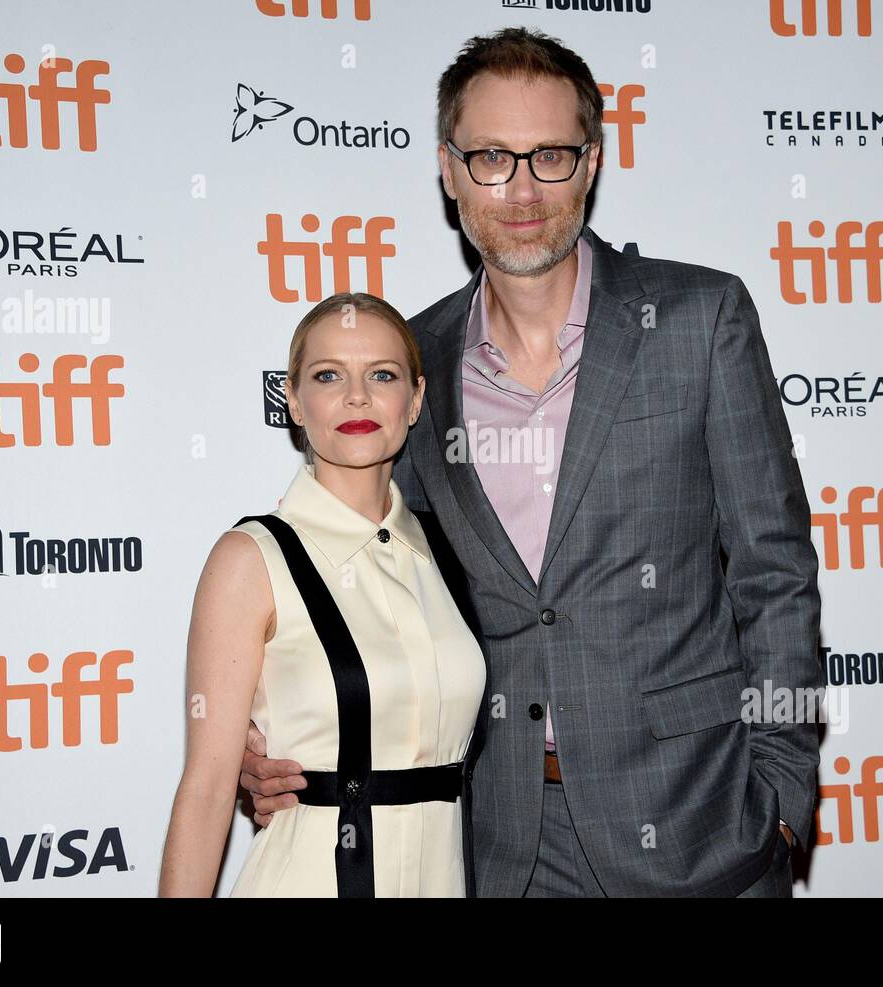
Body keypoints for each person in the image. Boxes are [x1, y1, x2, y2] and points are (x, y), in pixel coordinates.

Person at [240, 26, 824, 898]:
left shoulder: (700, 319)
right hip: (502, 841)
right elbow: (365, 574)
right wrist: (263, 730)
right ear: (448, 168)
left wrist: (781, 793)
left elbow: (775, 568)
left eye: (549, 155)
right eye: (489, 158)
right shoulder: (413, 361)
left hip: (705, 826)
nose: (520, 189)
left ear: (591, 162)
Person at [158, 292, 487, 897]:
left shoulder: (448, 553)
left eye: (381, 375)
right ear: (293, 401)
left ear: (414, 400)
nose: (357, 396)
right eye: (328, 375)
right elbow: (206, 791)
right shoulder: (250, 559)